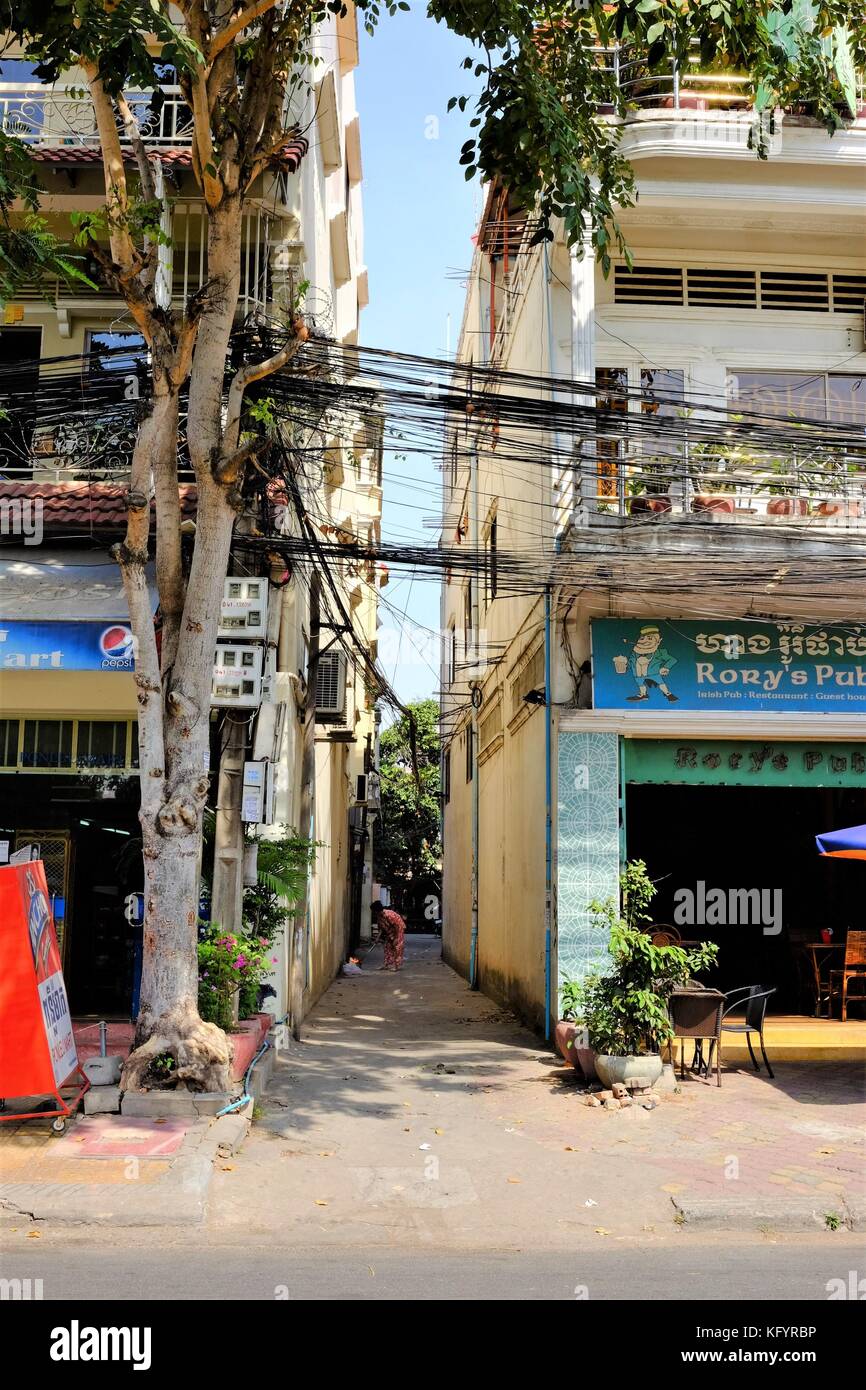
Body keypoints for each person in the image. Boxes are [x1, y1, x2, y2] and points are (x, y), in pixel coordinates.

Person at [371, 900, 406, 972]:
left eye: (374, 911)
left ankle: (396, 966)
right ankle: (386, 965)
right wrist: (377, 938)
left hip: (398, 929)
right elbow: (382, 928)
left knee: (397, 947)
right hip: (389, 930)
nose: (373, 913)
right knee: (387, 947)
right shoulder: (379, 917)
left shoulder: (388, 915)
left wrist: (396, 938)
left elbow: (396, 926)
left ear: (377, 911)